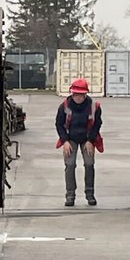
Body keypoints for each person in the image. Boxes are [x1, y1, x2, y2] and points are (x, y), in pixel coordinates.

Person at [55, 78, 103, 207]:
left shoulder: (94, 106)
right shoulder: (64, 106)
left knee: (89, 164)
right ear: (72, 93)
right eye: (75, 94)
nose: (78, 98)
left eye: (81, 95)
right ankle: (70, 195)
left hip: (87, 138)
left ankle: (90, 194)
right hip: (70, 138)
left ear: (85, 94)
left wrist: (90, 140)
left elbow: (97, 124)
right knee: (70, 165)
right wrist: (65, 141)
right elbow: (59, 124)